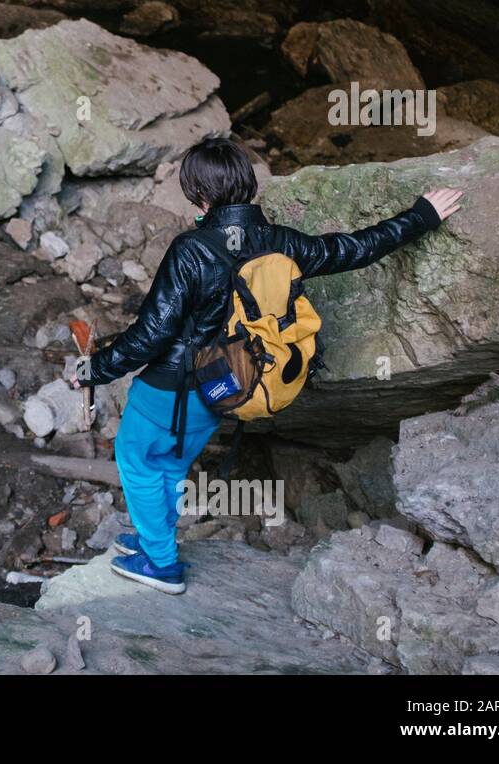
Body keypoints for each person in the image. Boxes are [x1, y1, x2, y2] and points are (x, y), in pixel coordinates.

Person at [73, 137, 463, 594]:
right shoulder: (278, 241)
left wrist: (93, 369)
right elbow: (356, 248)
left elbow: (151, 335)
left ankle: (160, 563)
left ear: (199, 196)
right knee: (172, 465)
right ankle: (152, 538)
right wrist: (422, 215)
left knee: (137, 460)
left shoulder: (191, 249)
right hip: (228, 387)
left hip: (170, 387)